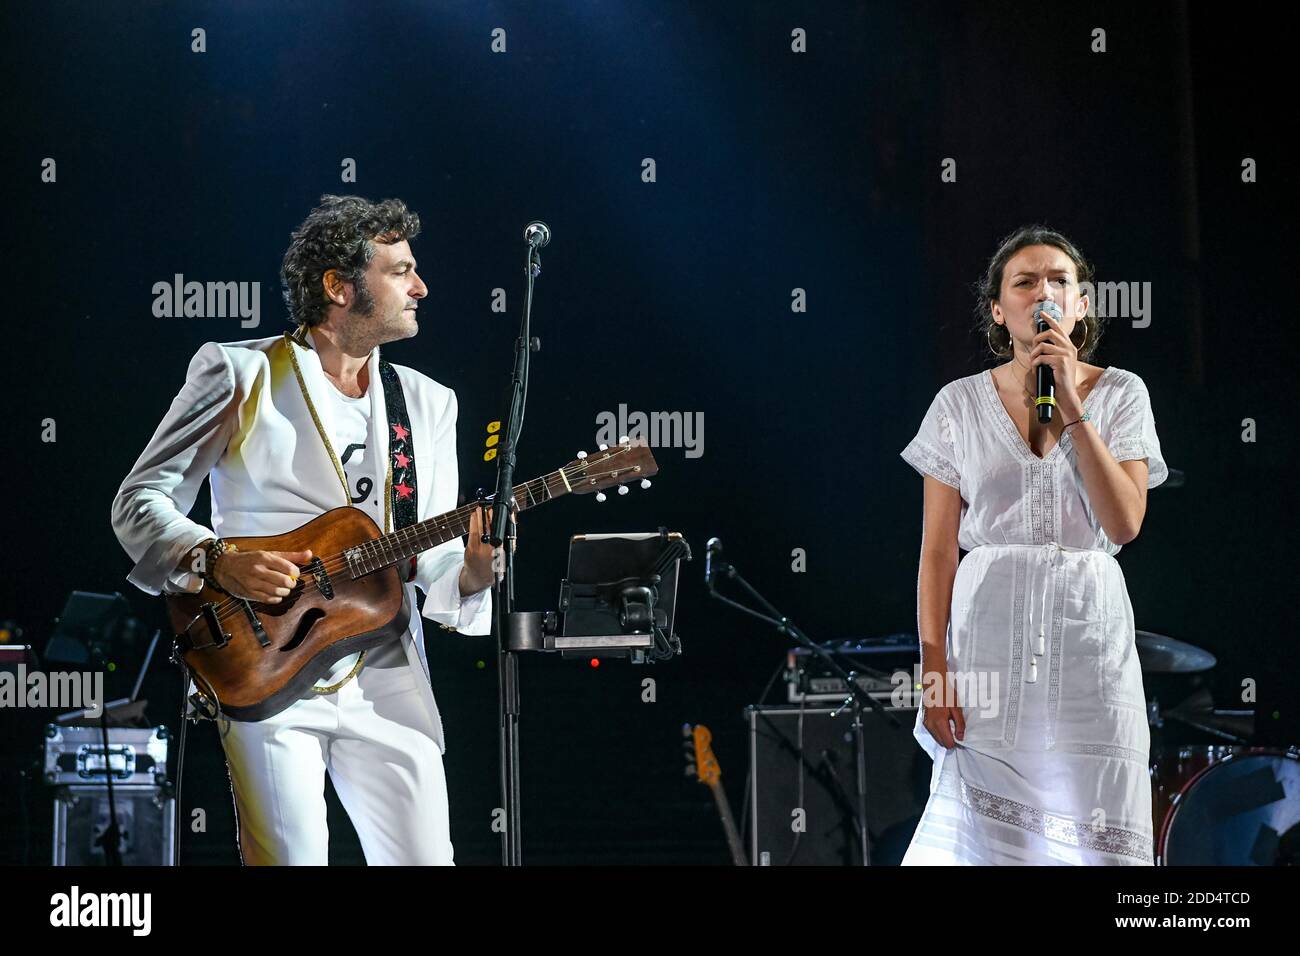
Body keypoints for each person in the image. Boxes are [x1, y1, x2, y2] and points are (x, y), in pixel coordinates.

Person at [111, 195, 497, 865]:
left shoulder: (429, 403)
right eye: (400, 270)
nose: (421, 287)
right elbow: (140, 499)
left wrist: (469, 573)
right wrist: (212, 558)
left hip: (386, 669)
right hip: (265, 659)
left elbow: (425, 561)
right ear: (339, 286)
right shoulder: (240, 371)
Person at [899, 225, 1167, 865]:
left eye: (1059, 282)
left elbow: (1125, 522)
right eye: (1024, 282)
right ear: (998, 308)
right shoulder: (957, 406)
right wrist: (933, 672)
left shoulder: (1123, 393)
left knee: (1094, 836)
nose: (1042, 292)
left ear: (1080, 306)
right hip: (986, 650)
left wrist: (1072, 403)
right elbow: (938, 549)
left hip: (1088, 651)